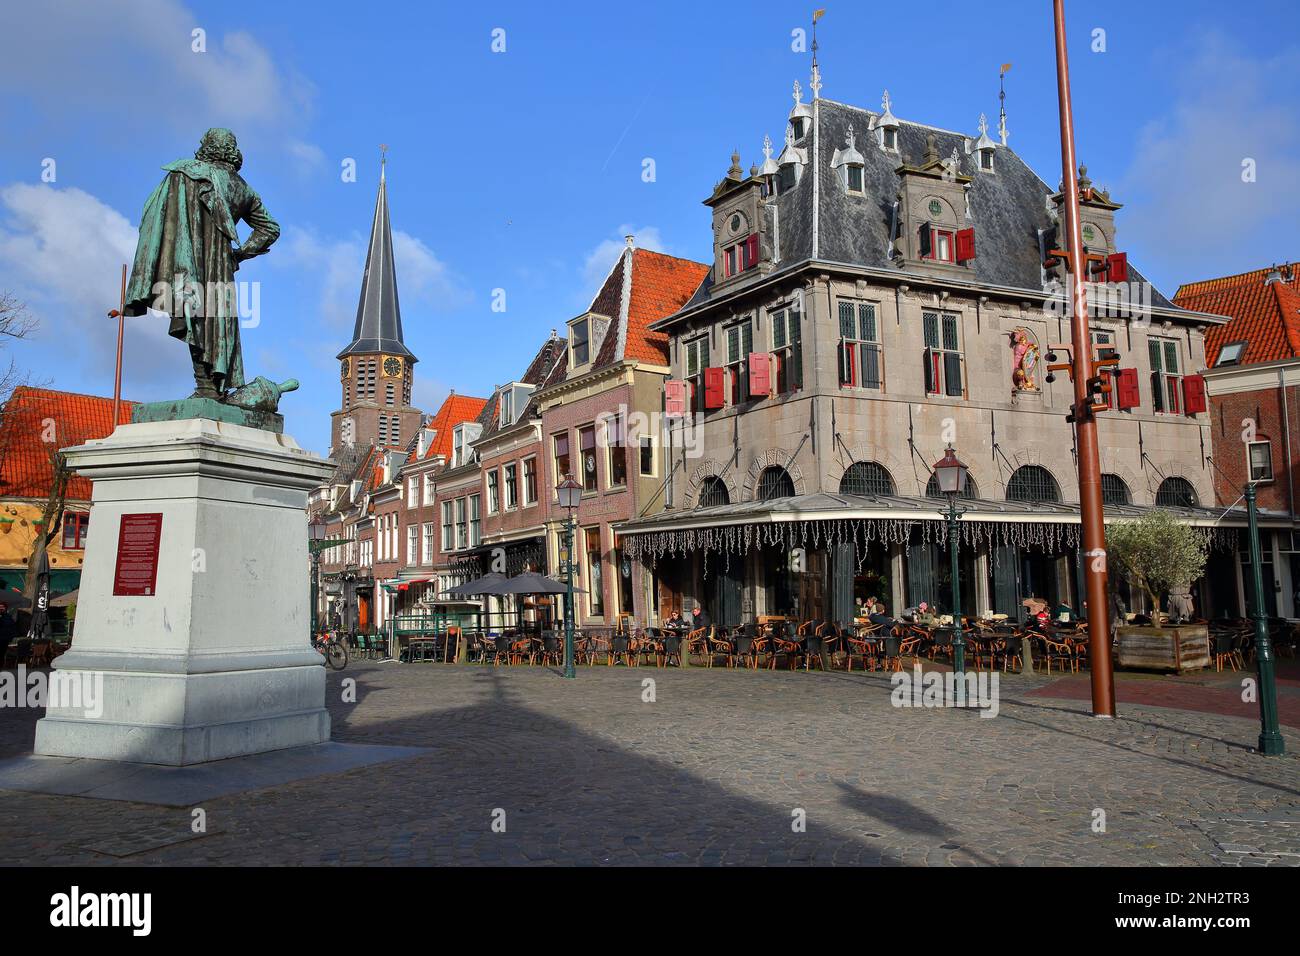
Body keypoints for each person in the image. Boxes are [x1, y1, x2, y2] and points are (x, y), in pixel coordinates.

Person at [0, 601, 15, 668]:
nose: (1, 608)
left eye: (2, 607)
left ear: (5, 608)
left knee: (2, 655)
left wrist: (10, 637)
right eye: (0, 607)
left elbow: (12, 627)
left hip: (4, 639)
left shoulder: (8, 617)